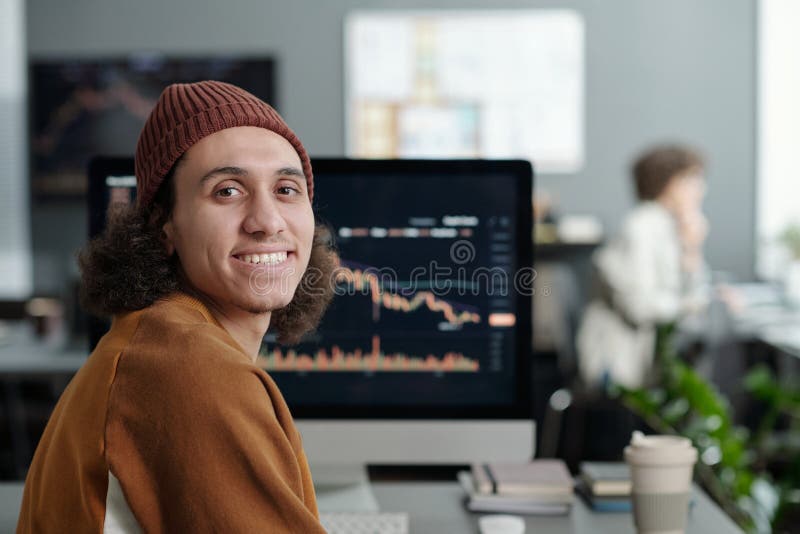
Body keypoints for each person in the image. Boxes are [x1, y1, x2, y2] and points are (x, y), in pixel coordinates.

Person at [17, 81, 337, 532]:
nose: (267, 222)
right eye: (227, 191)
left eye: (287, 189)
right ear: (163, 225)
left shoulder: (154, 340)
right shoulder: (192, 368)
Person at [576, 144, 709, 390]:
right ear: (670, 183)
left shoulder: (669, 227)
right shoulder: (641, 229)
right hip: (618, 366)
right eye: (694, 179)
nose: (702, 189)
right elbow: (641, 308)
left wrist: (692, 250)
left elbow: (690, 295)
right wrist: (691, 305)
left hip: (650, 360)